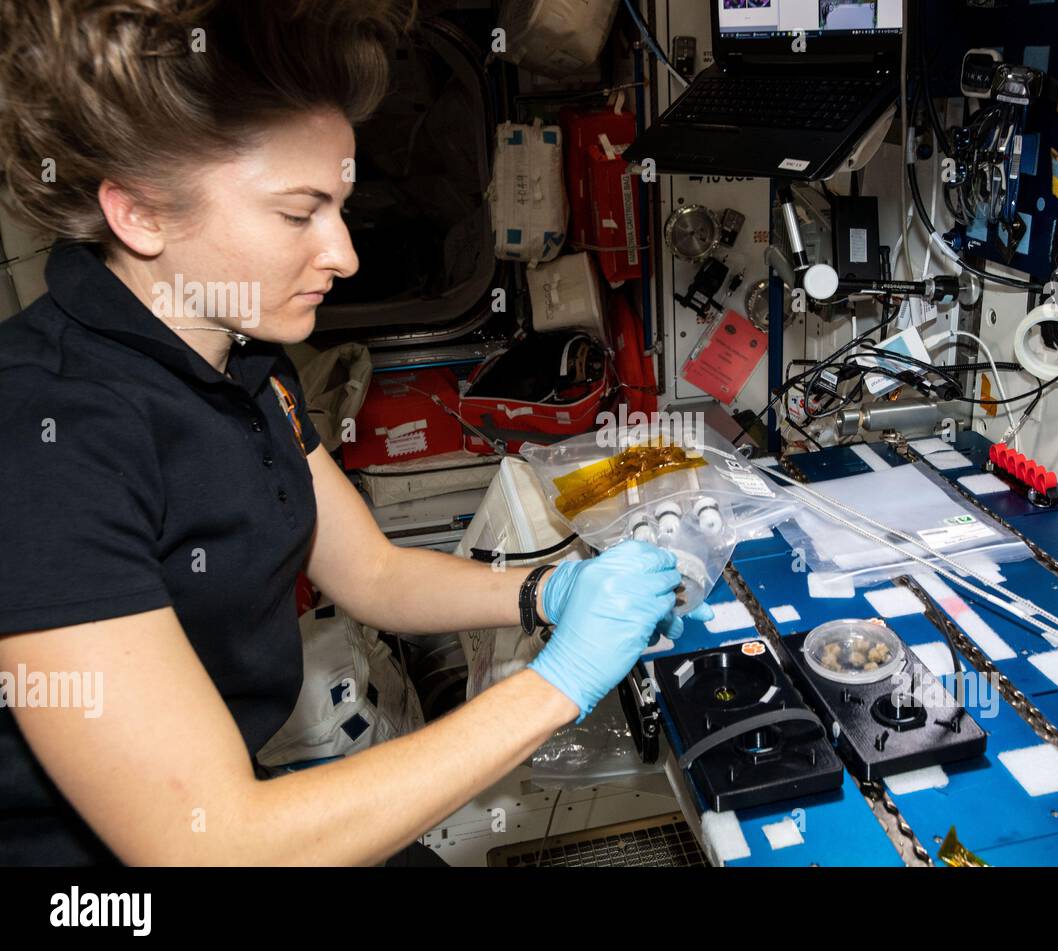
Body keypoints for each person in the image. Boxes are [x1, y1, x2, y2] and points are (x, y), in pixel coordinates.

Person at [0, 0, 708, 866]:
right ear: (142, 214)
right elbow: (212, 846)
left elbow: (372, 574)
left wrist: (546, 590)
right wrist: (557, 684)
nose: (344, 254)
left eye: (338, 205)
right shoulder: (47, 438)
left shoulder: (243, 360)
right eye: (299, 215)